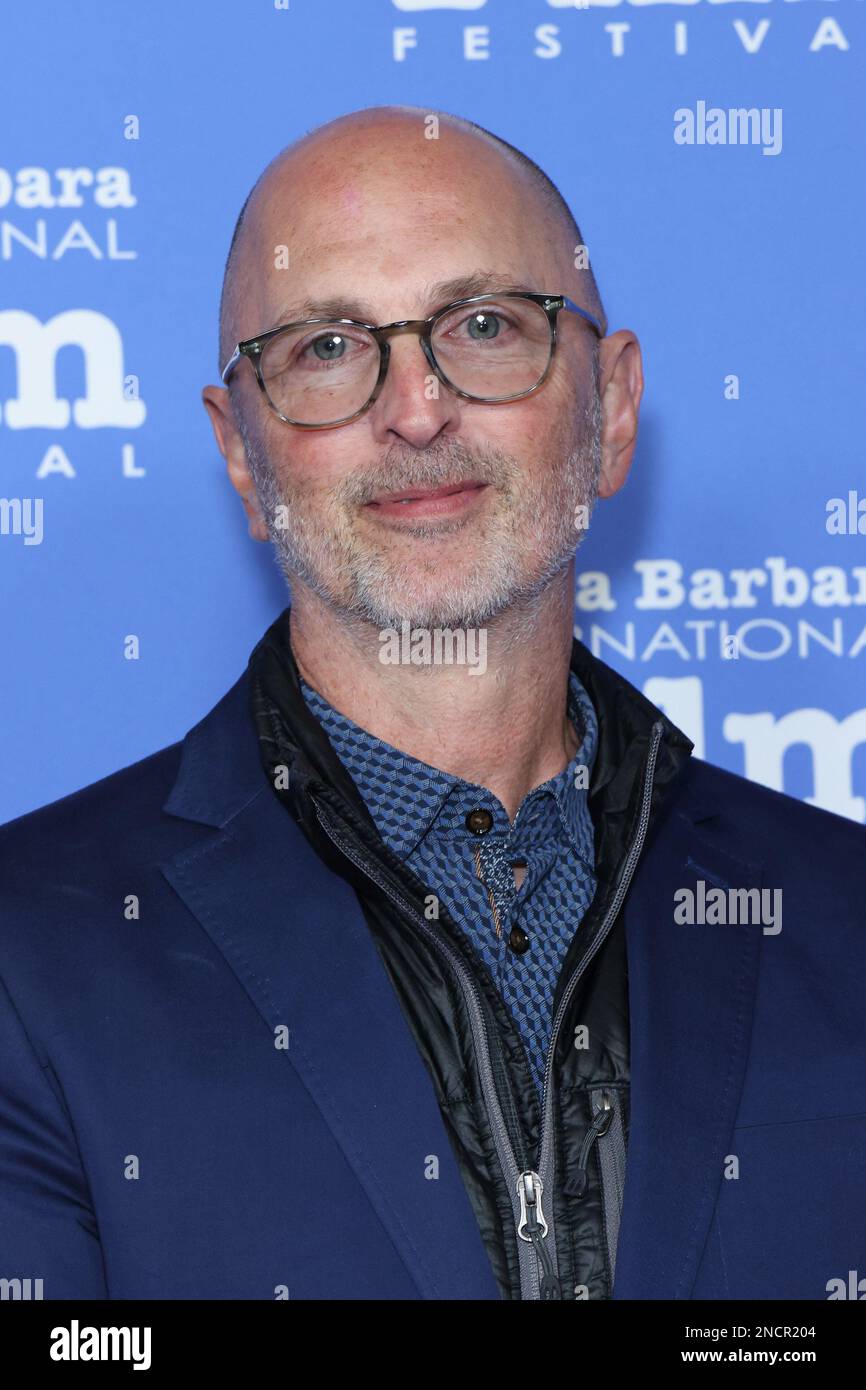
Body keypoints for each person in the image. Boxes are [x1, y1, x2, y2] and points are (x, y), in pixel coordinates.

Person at [1, 106, 864, 1302]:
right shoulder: (28, 954)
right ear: (243, 455)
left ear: (611, 411)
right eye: (325, 348)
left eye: (484, 325)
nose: (415, 409)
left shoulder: (840, 914)